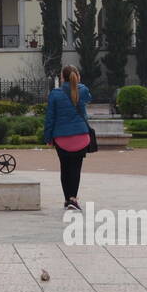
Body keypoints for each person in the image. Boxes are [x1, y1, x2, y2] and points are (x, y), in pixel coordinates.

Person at [42, 65, 93, 211]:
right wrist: (78, 81)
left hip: (61, 137)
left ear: (62, 77)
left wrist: (48, 137)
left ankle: (67, 199)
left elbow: (50, 118)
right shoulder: (82, 90)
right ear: (76, 76)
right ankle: (73, 199)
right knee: (76, 169)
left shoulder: (55, 94)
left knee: (64, 169)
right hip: (81, 136)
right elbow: (89, 98)